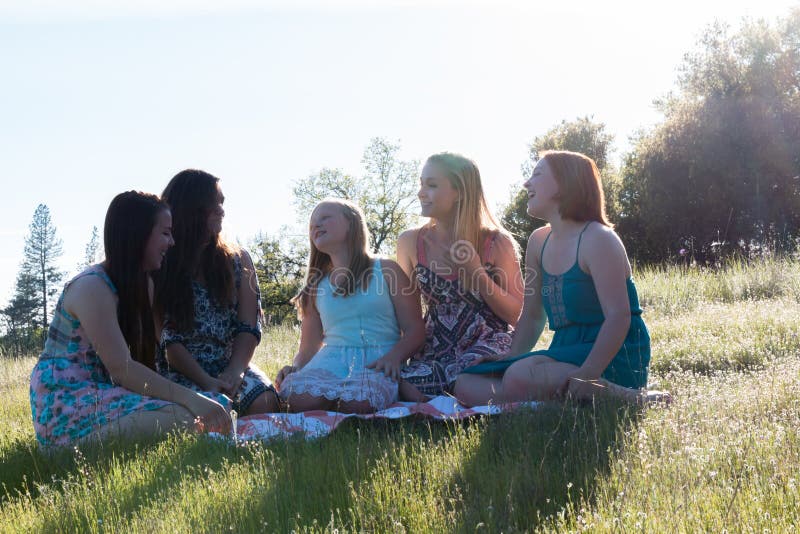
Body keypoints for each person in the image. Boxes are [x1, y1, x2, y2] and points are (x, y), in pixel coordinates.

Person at [455, 150, 670, 405]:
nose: (527, 183)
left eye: (537, 175)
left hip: (614, 350)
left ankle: (628, 397)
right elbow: (533, 314)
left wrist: (589, 372)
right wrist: (510, 354)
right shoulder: (538, 241)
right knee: (465, 383)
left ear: (565, 184)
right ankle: (552, 398)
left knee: (520, 375)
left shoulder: (598, 239)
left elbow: (618, 317)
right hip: (564, 348)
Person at [30, 191, 232, 448]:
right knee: (189, 418)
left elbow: (141, 366)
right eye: (165, 233)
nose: (171, 242)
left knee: (216, 408)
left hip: (102, 396)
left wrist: (199, 399)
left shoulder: (142, 284)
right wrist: (192, 399)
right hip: (66, 404)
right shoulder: (91, 287)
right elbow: (123, 369)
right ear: (139, 235)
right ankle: (62, 450)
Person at [274, 199, 425, 413]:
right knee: (295, 398)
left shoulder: (387, 270)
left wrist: (395, 357)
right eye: (312, 223)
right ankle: (331, 403)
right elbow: (309, 346)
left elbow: (415, 330)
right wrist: (296, 368)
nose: (316, 225)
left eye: (325, 218)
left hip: (379, 360)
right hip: (330, 361)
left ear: (352, 224)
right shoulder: (317, 285)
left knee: (359, 402)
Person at [395, 152, 524, 400]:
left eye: (431, 185)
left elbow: (516, 314)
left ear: (460, 193)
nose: (421, 192)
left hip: (486, 343)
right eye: (421, 183)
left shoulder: (496, 242)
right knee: (406, 387)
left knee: (467, 379)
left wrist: (476, 273)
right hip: (434, 348)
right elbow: (406, 315)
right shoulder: (410, 242)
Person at [154, 170, 278, 415]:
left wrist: (234, 372)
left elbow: (248, 327)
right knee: (198, 413)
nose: (221, 210)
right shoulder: (161, 262)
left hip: (228, 366)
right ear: (191, 209)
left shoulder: (239, 259)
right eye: (214, 205)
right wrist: (206, 382)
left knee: (265, 403)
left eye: (222, 204)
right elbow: (168, 341)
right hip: (178, 371)